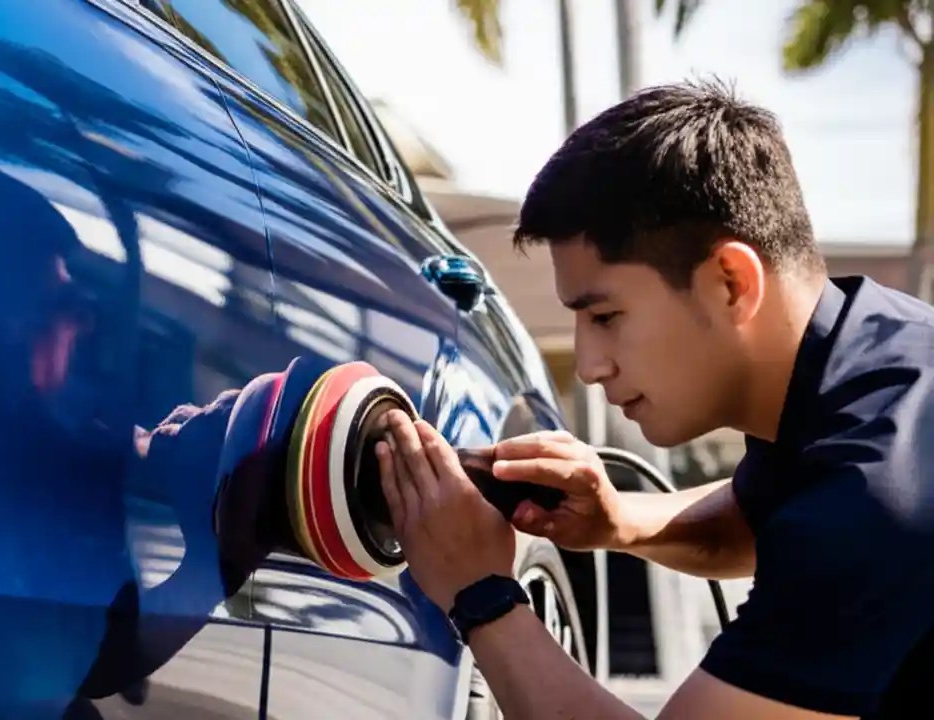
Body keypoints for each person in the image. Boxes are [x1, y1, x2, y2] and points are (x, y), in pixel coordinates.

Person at [374, 78, 934, 720]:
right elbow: (773, 510)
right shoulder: (877, 358)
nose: (588, 366)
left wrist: (480, 595)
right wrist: (621, 521)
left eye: (606, 316)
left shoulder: (874, 499)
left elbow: (835, 526)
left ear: (730, 281)